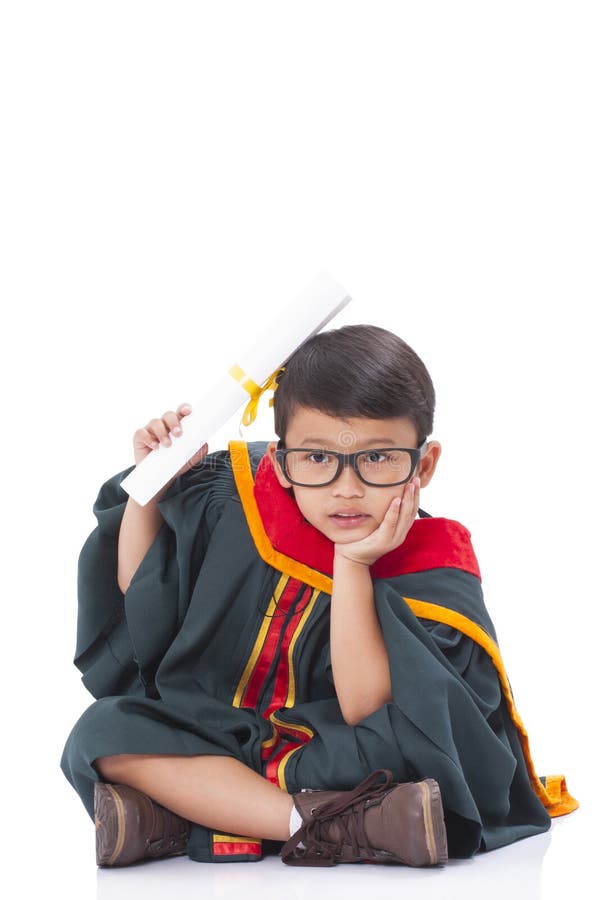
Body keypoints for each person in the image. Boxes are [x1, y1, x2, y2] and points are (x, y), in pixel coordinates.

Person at [60, 324, 577, 868]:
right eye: (316, 458)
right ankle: (336, 824)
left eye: (378, 458)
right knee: (103, 730)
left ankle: (177, 815)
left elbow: (366, 709)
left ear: (424, 465)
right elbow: (140, 587)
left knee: (410, 755)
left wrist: (353, 564)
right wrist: (150, 485)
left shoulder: (434, 565)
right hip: (215, 731)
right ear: (282, 460)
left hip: (332, 754)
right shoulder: (234, 497)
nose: (346, 489)